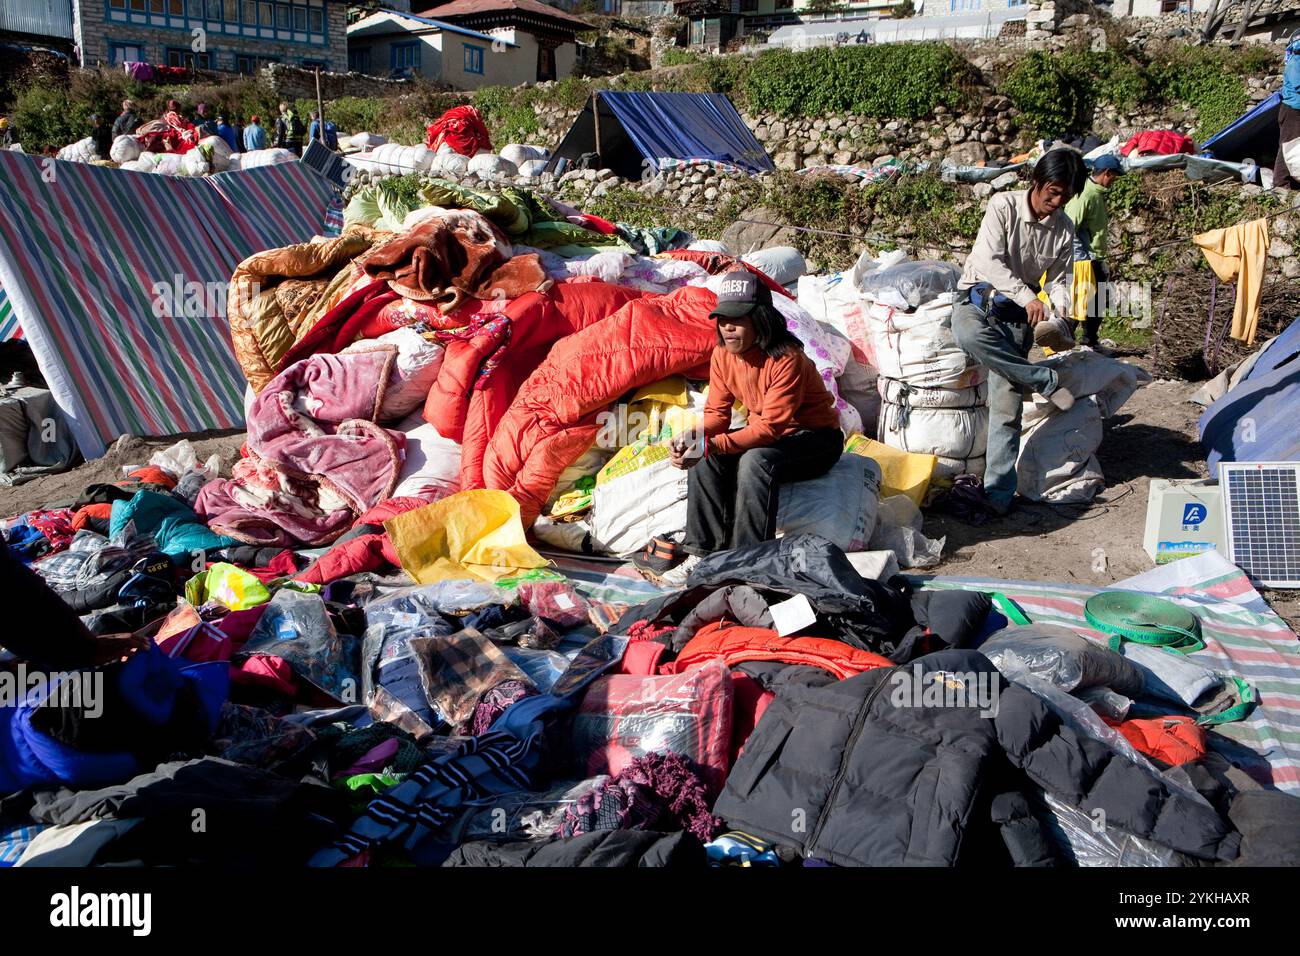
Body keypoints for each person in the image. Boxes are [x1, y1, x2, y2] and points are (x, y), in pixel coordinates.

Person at [634, 270, 844, 587]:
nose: (727, 327)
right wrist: (693, 438)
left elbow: (770, 428)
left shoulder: (787, 359)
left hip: (814, 440)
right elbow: (717, 414)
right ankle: (704, 555)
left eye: (737, 320)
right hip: (769, 436)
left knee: (756, 461)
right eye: (722, 320)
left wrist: (715, 444)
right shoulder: (722, 355)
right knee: (704, 456)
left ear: (760, 320)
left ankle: (750, 561)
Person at [950, 148, 1086, 517]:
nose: (1056, 203)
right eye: (1052, 192)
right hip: (977, 301)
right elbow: (987, 261)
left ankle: (997, 496)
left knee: (1006, 409)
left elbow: (1060, 278)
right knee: (967, 335)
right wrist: (1029, 296)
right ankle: (1042, 379)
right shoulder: (1003, 206)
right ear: (1036, 182)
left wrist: (1060, 311)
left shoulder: (1063, 227)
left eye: (1065, 197)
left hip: (1014, 318)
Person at [1065, 153, 1124, 348]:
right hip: (1084, 261)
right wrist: (1082, 259)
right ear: (1106, 173)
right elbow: (1069, 229)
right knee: (1079, 302)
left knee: (1097, 302)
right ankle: (1062, 342)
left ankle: (1089, 341)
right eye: (1114, 177)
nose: (1114, 182)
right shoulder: (1085, 194)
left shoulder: (1096, 194)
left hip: (1096, 258)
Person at [1276, 36, 1300, 190]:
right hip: (1292, 111)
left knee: (1291, 146)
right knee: (1288, 146)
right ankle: (1280, 183)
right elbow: (1298, 85)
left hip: (1295, 109)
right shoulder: (1295, 62)